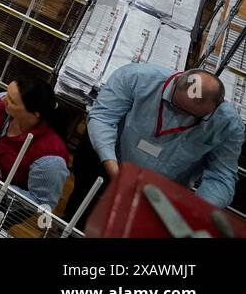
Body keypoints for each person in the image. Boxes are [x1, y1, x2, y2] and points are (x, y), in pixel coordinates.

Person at [65, 66, 242, 219]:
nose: (181, 118)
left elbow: (222, 176)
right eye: (177, 107)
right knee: (81, 211)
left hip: (159, 195)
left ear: (216, 107)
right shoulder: (135, 77)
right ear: (175, 84)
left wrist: (194, 209)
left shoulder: (228, 125)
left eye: (194, 116)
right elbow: (102, 118)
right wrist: (114, 170)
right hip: (107, 164)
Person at [0, 77, 71, 216]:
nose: (4, 99)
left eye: (12, 101)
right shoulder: (2, 101)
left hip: (7, 203)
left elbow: (41, 203)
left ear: (35, 113)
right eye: (7, 93)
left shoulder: (51, 159)